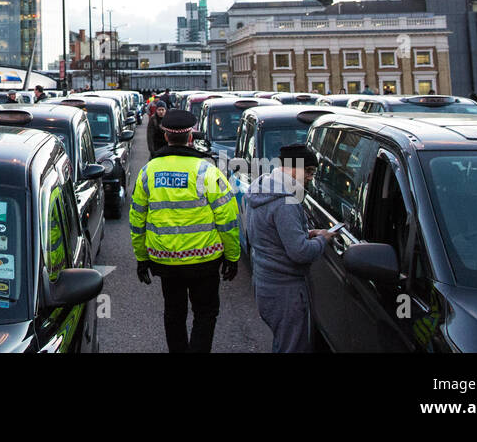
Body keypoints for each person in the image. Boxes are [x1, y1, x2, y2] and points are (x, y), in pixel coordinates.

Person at [131, 108, 241, 352]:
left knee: (173, 313)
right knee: (205, 313)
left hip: (166, 260)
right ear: (190, 136)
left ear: (166, 136)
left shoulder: (148, 172)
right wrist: (232, 257)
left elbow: (137, 219)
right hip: (204, 260)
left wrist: (142, 258)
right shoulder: (206, 171)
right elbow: (227, 219)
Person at [242, 143, 337, 352]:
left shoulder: (262, 189)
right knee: (292, 346)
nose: (311, 177)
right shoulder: (287, 202)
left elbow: (269, 236)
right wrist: (323, 240)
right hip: (286, 291)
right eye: (309, 171)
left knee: (283, 342)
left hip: (265, 284)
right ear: (294, 167)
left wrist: (308, 234)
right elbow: (300, 253)